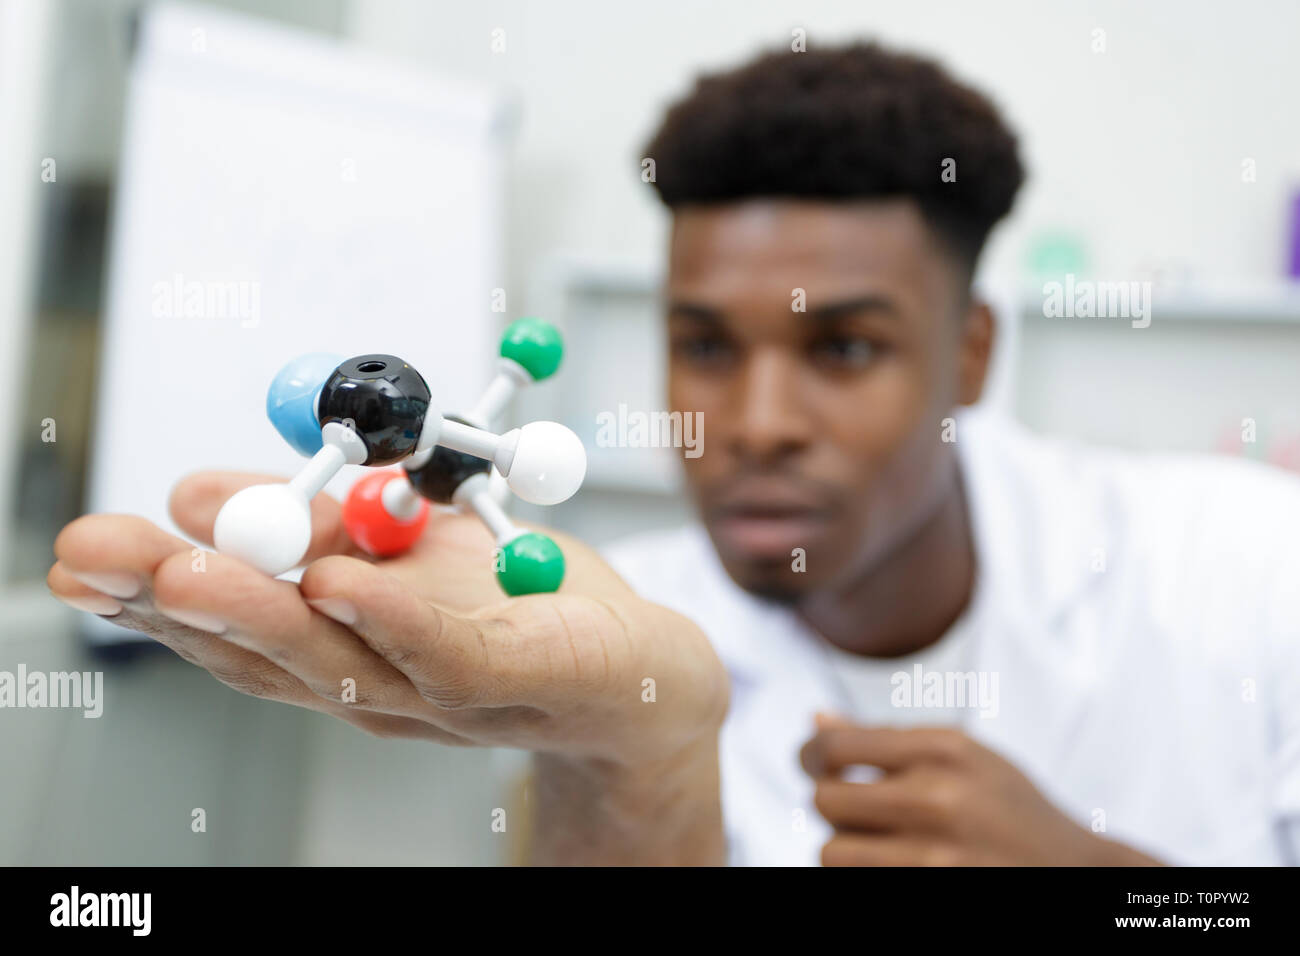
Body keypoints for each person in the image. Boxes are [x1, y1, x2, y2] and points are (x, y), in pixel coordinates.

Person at [48, 42, 1300, 866]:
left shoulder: (1247, 565)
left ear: (969, 355)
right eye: (703, 344)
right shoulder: (615, 621)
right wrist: (629, 752)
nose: (752, 421)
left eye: (846, 350)